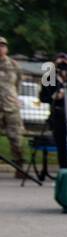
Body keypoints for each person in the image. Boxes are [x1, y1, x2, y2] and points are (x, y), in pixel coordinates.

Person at [0, 36, 26, 177]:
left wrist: (15, 98)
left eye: (2, 46)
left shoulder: (14, 65)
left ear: (6, 48)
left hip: (11, 105)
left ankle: (19, 167)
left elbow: (18, 84)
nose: (0, 48)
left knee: (16, 137)